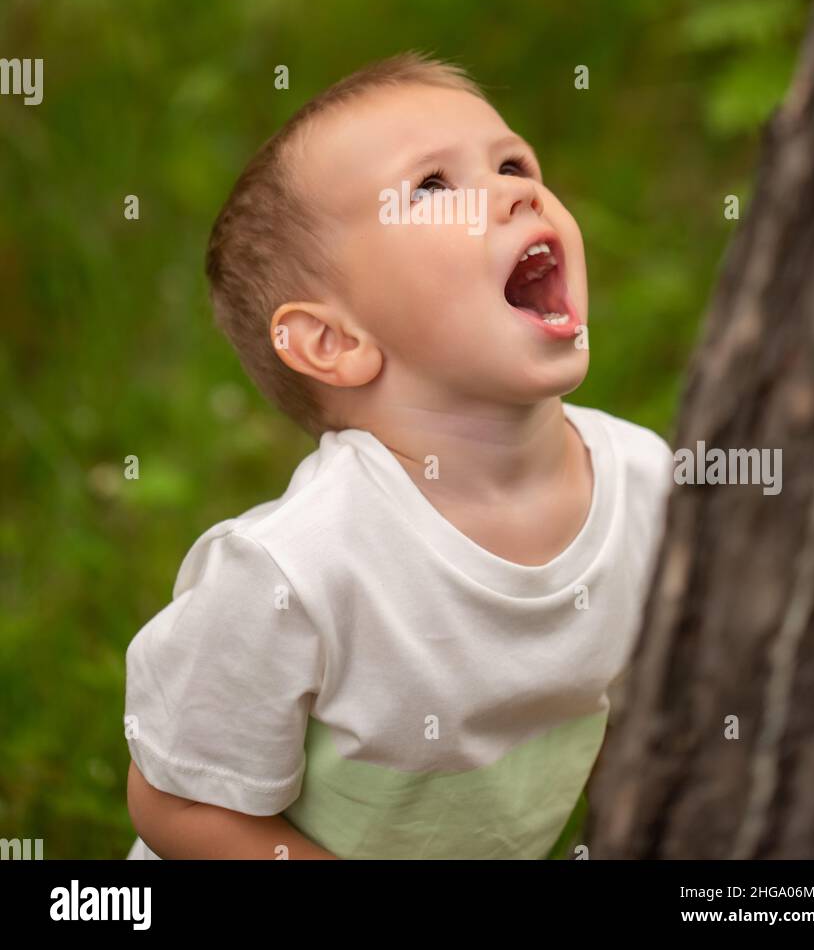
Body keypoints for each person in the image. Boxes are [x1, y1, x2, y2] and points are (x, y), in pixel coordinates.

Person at [123, 51, 673, 860]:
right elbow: (176, 804)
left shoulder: (648, 482)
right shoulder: (295, 572)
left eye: (513, 162)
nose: (519, 190)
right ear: (335, 341)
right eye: (434, 188)